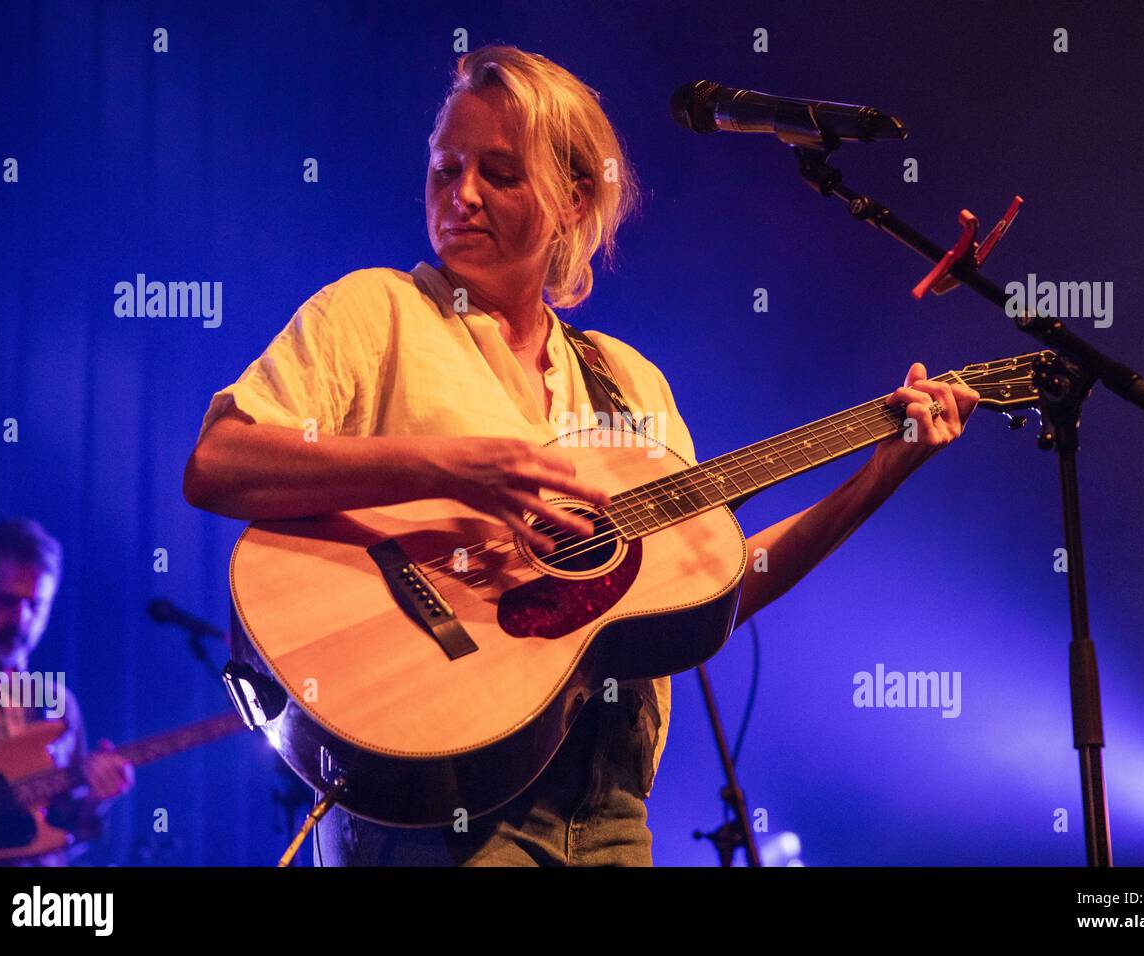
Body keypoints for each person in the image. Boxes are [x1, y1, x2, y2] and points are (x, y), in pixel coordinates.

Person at [182, 45, 979, 866]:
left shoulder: (630, 383)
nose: (462, 195)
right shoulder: (376, 313)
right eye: (445, 167)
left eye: (500, 172)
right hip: (435, 801)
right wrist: (445, 468)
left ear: (573, 200)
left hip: (610, 813)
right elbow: (220, 462)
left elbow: (719, 590)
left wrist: (882, 473)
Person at [0, 518, 135, 865]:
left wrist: (95, 798)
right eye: (6, 600)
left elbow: (66, 826)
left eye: (35, 605)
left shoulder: (58, 705)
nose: (21, 619)